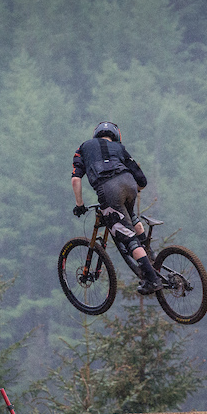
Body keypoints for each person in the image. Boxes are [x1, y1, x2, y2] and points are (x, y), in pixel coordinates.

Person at [71, 121, 161, 295]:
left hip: (108, 189)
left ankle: (152, 279)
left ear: (95, 134)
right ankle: (150, 258)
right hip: (129, 183)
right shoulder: (119, 148)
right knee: (131, 218)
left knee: (126, 237)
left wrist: (79, 205)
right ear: (116, 135)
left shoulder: (83, 148)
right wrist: (133, 189)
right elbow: (141, 180)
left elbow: (76, 179)